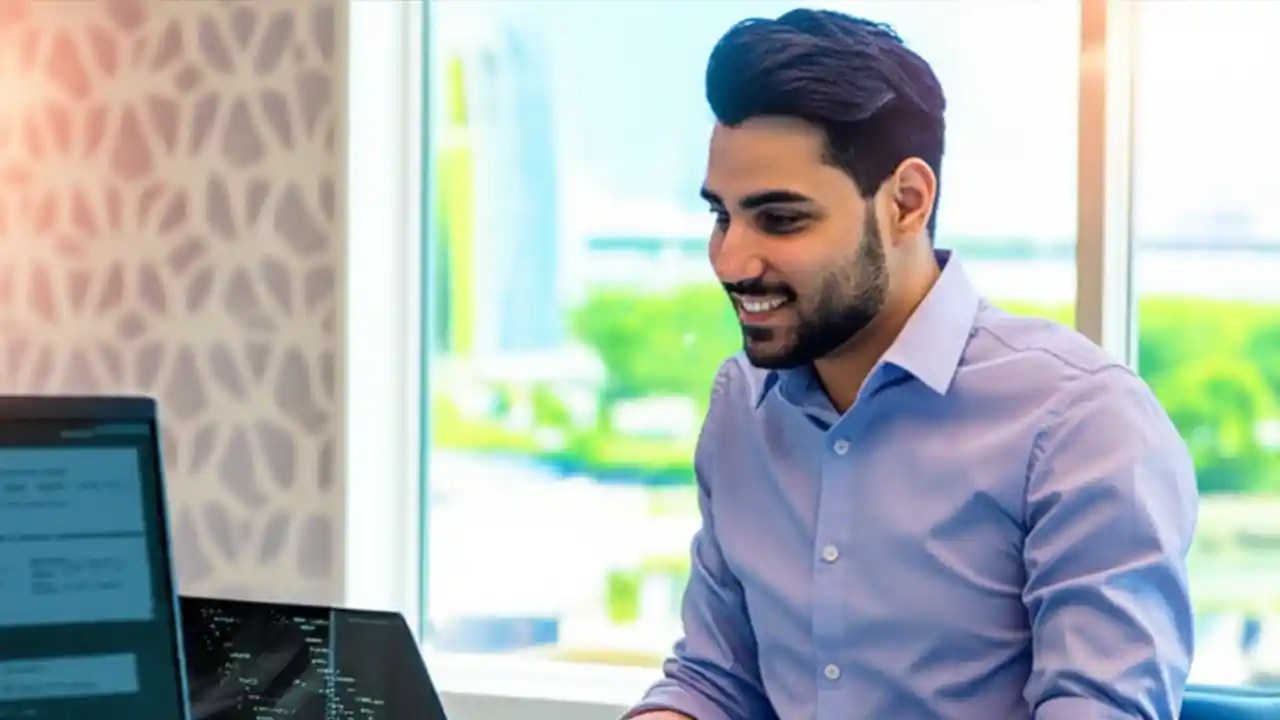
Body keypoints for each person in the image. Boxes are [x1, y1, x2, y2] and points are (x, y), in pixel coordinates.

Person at [626, 8, 1197, 720]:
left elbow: (1098, 709)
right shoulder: (744, 402)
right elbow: (717, 681)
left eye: (781, 220)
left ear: (906, 202)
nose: (731, 260)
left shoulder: (1081, 421)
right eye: (722, 215)